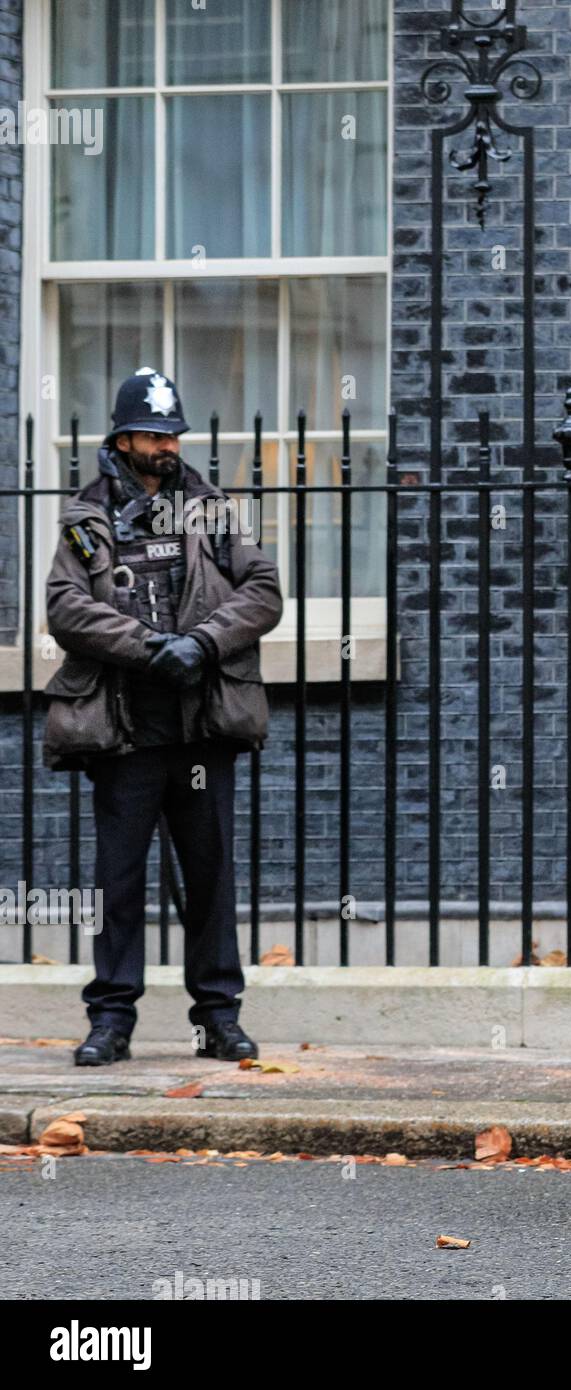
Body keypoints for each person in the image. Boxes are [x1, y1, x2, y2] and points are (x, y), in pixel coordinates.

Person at [42, 369, 283, 1067]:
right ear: (122, 439)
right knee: (119, 882)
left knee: (210, 878)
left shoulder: (210, 511)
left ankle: (218, 1019)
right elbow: (65, 609)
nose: (167, 446)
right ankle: (111, 1021)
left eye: (174, 434)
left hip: (203, 728)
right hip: (124, 733)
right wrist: (150, 649)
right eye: (154, 435)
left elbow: (264, 590)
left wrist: (204, 643)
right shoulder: (86, 518)